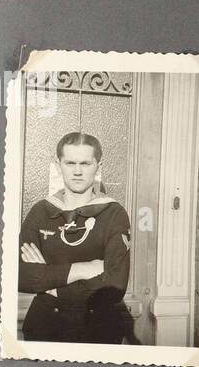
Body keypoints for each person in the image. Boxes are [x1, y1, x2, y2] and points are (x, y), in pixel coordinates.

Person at [18, 132, 133, 344]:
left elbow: (114, 286)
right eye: (70, 163)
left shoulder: (114, 214)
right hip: (44, 327)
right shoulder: (41, 211)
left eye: (85, 163)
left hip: (96, 329)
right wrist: (83, 269)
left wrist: (47, 281)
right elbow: (21, 276)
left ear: (98, 165)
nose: (77, 171)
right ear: (58, 164)